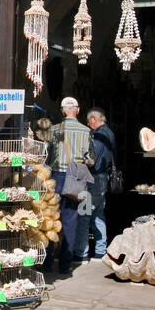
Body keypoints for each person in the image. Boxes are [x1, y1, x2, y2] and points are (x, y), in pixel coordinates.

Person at [47, 97, 93, 274]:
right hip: (76, 177)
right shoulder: (86, 131)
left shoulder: (53, 130)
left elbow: (47, 157)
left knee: (51, 219)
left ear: (62, 110)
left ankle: (47, 261)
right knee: (71, 220)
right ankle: (65, 265)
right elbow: (91, 159)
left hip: (56, 177)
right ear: (78, 110)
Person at [85, 108, 116, 261]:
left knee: (86, 214)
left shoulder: (98, 135)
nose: (88, 125)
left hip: (95, 178)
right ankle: (100, 250)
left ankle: (83, 253)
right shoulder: (110, 132)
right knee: (98, 214)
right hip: (103, 178)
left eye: (88, 122)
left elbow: (92, 159)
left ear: (93, 120)